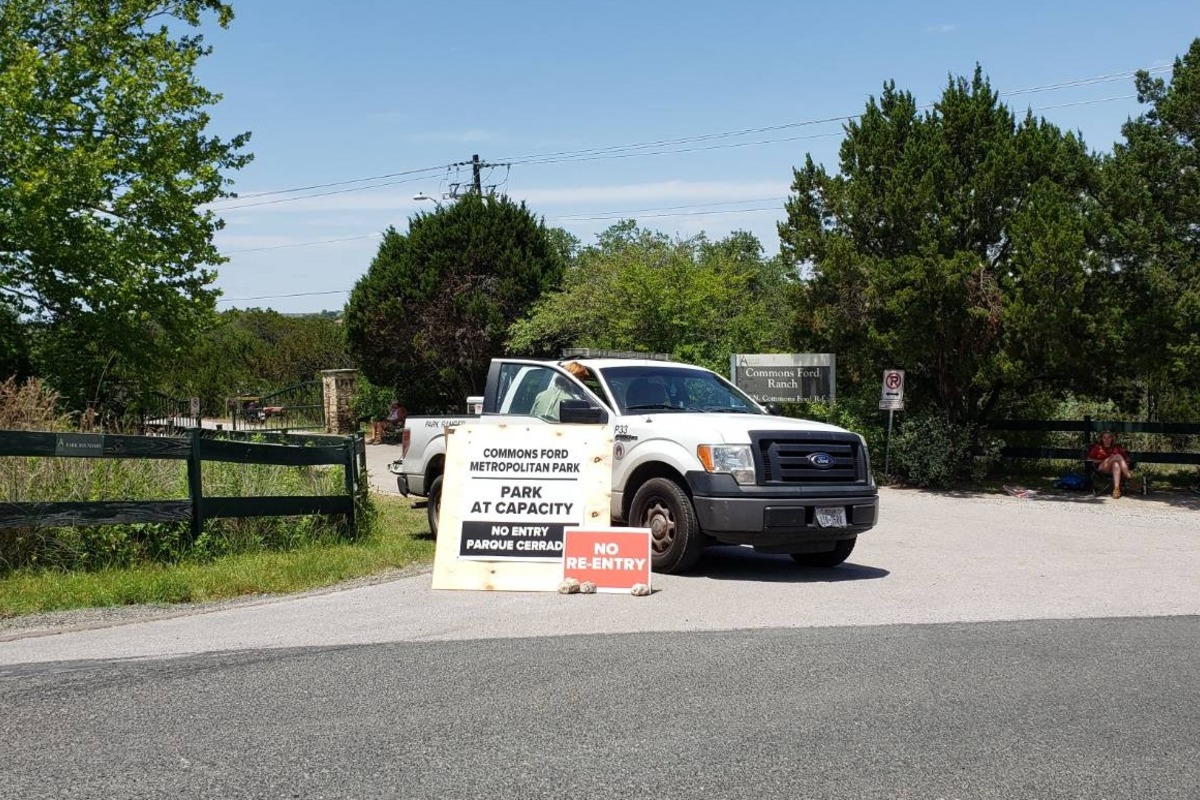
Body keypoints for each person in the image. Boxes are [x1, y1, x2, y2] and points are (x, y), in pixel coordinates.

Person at [1087, 430, 1134, 498]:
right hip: (1102, 467)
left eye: (1109, 437)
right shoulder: (1097, 447)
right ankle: (1129, 477)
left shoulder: (1116, 447)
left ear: (1112, 438)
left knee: (1116, 464)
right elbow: (1089, 459)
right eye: (1104, 437)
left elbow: (1127, 459)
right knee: (1117, 456)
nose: (1107, 439)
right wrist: (1104, 460)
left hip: (1114, 470)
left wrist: (1121, 462)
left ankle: (1116, 489)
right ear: (1101, 439)